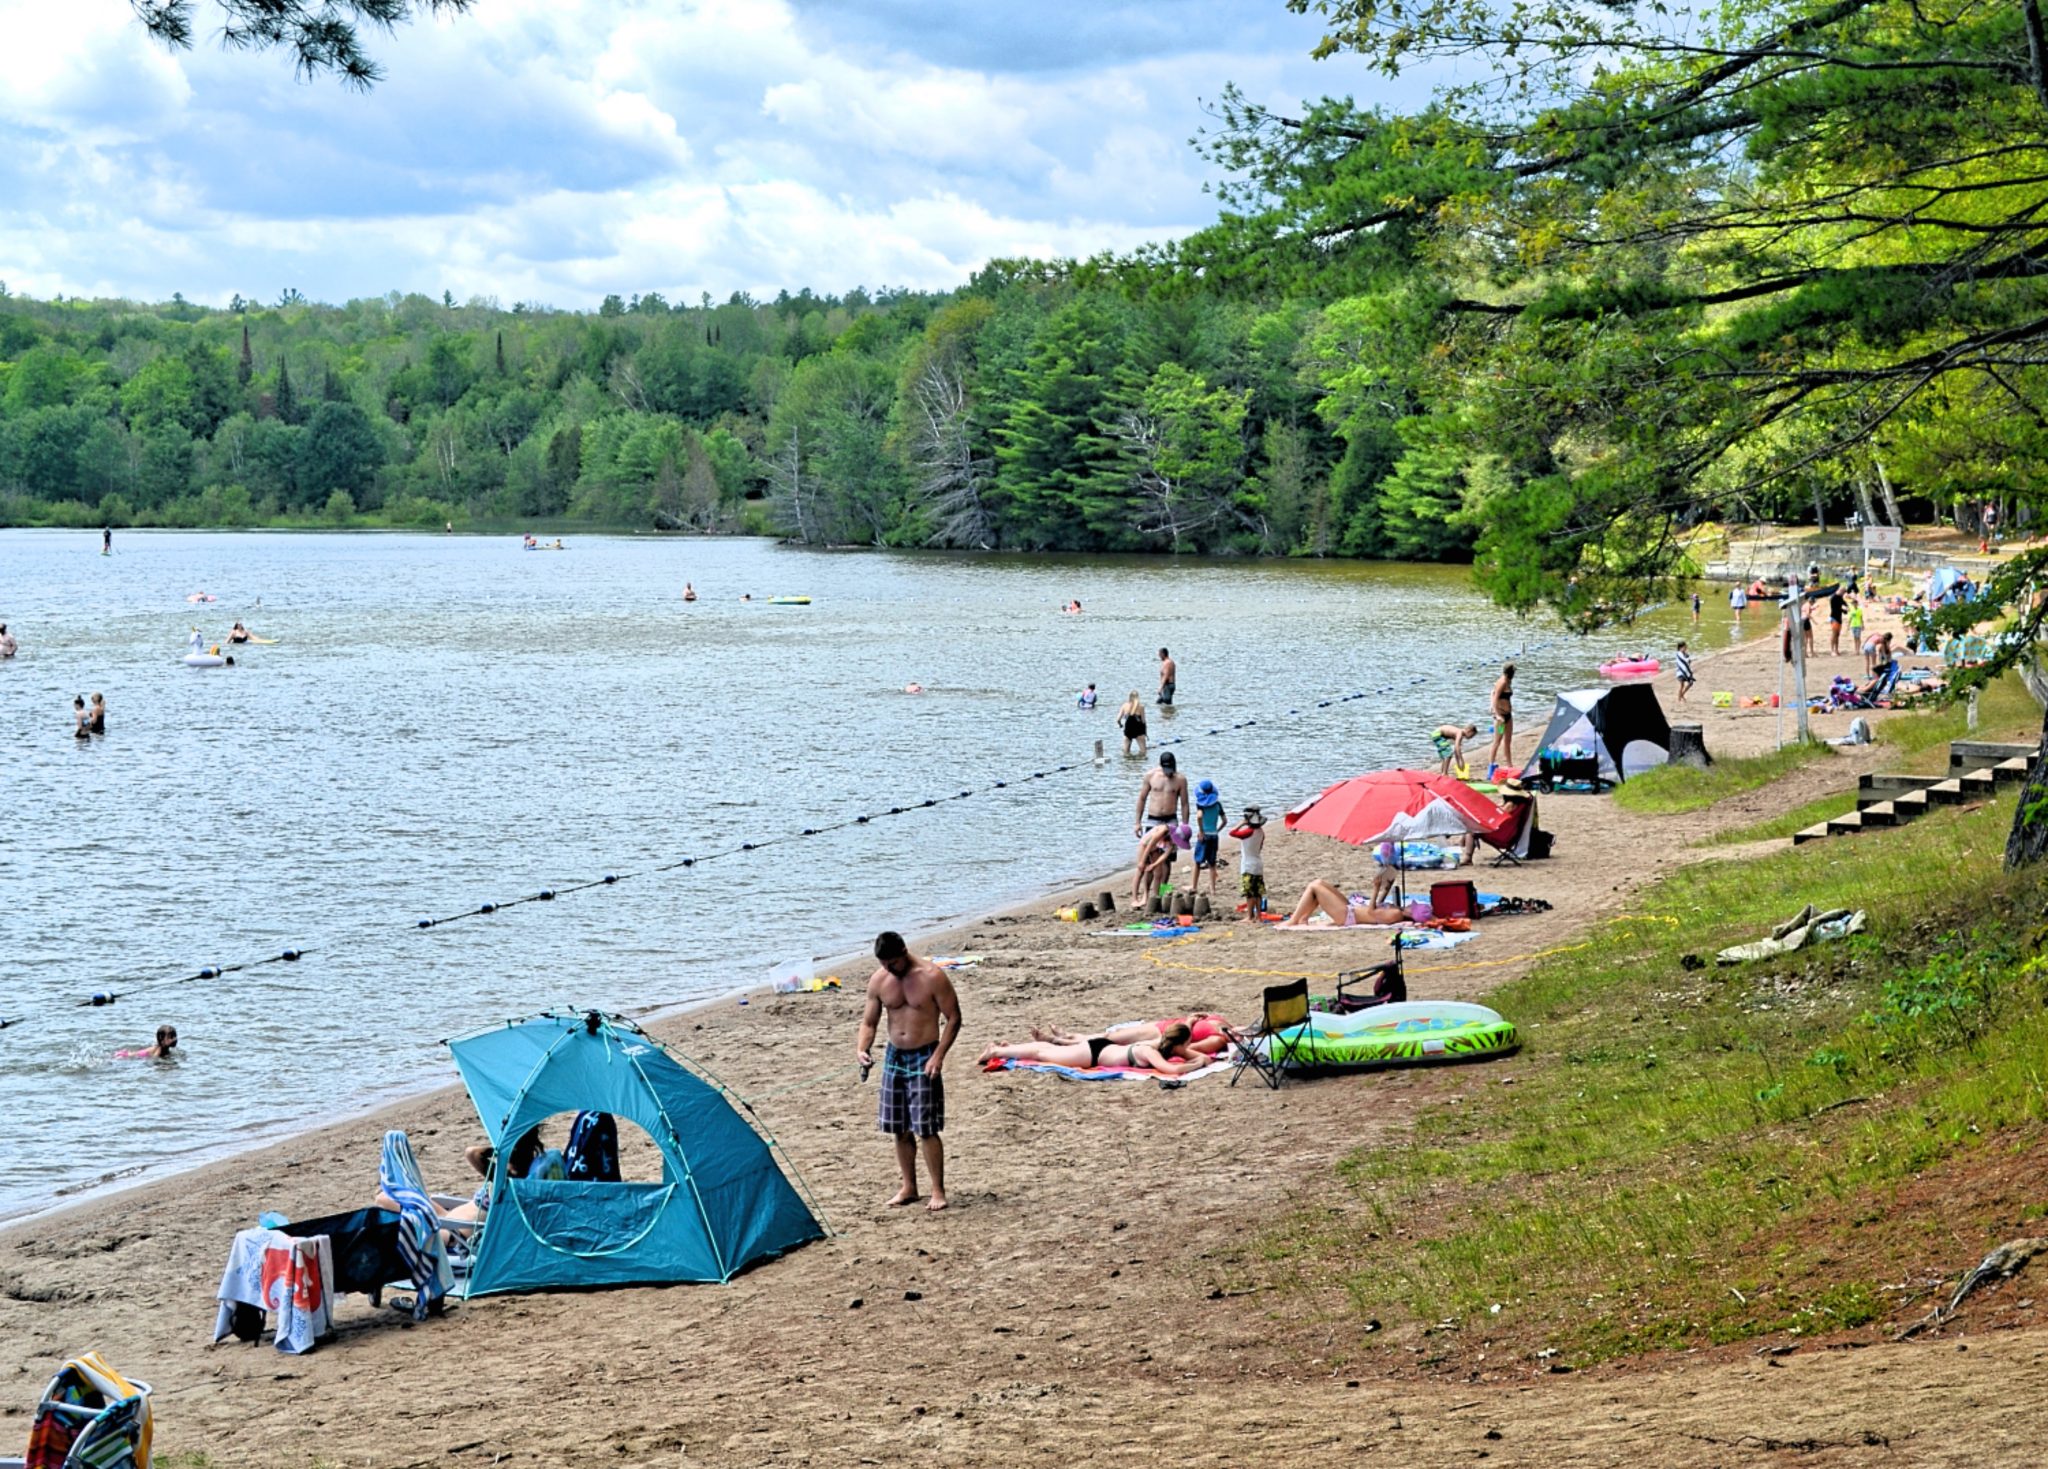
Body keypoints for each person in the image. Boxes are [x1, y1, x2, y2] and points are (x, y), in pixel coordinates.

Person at [856, 931, 961, 1212]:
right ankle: (909, 1187)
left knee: (925, 1127)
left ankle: (937, 1190)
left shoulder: (932, 976)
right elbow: (869, 1022)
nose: (888, 969)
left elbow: (953, 1018)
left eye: (892, 963)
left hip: (924, 1053)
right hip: (894, 1056)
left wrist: (938, 1056)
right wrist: (862, 1049)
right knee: (899, 1127)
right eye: (883, 964)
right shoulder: (879, 980)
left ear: (904, 951)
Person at [979, 1022, 1214, 1077]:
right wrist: (1197, 1063)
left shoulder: (1166, 1047)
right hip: (1094, 1054)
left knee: (1046, 1051)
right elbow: (1172, 1071)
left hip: (1102, 1050)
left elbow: (1200, 1056)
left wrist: (1199, 1059)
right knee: (1042, 1054)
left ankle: (1011, 1049)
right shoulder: (1151, 1051)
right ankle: (996, 1052)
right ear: (1179, 1044)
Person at [1028, 1014, 1231, 1058]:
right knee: (1111, 1035)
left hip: (1160, 1034)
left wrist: (1187, 1025)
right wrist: (1192, 1020)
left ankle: (1059, 1041)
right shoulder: (1222, 1023)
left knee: (1111, 1039)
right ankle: (1071, 1036)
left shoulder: (1218, 1039)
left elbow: (1186, 1048)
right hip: (1163, 1025)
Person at [1280, 880, 1406, 928]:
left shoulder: (1396, 914)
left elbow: (1371, 912)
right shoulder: (1398, 910)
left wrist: (1376, 888)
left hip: (1347, 916)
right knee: (1319, 883)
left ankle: (1294, 920)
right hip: (1351, 908)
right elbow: (1378, 908)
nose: (1411, 905)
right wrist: (1386, 887)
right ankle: (1303, 918)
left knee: (1314, 887)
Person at [1134, 750, 1190, 838]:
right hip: (1153, 819)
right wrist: (1137, 823)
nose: (1168, 772)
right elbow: (1142, 799)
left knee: (1171, 850)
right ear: (1160, 764)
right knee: (1151, 850)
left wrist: (1185, 826)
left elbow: (1185, 804)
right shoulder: (1150, 776)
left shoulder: (1180, 780)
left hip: (1171, 819)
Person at [1130, 821, 1186, 904]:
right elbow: (1149, 844)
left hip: (1155, 848)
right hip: (1145, 845)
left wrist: (1154, 865)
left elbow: (1165, 855)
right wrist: (1142, 861)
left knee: (1159, 872)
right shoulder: (1163, 829)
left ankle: (1157, 896)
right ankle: (1135, 899)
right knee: (1140, 871)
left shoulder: (1173, 843)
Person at [1191, 779, 1227, 899]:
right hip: (1214, 835)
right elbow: (1225, 821)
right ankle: (1212, 889)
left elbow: (1199, 816)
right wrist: (1217, 830)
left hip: (1204, 835)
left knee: (1197, 862)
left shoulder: (1200, 805)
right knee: (1212, 863)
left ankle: (1194, 887)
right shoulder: (1218, 804)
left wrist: (1201, 831)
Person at [1232, 805, 1267, 919]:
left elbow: (1232, 832)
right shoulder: (1261, 832)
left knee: (1249, 893)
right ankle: (1258, 916)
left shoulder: (1247, 832)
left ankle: (1250, 916)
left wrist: (1242, 823)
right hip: (1258, 863)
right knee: (1258, 892)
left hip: (1248, 865)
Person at [1486, 663, 1516, 774]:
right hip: (1501, 718)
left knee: (1508, 741)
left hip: (1508, 716)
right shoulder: (1502, 682)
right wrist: (1497, 714)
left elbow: (1492, 692)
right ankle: (1491, 765)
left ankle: (1509, 764)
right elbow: (1495, 697)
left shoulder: (1508, 681)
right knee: (1497, 741)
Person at [1116, 692, 1148, 757]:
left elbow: (1118, 719)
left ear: (1129, 697)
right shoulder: (1141, 706)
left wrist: (1120, 725)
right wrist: (1145, 732)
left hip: (1128, 729)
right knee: (1143, 752)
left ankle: (1128, 764)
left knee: (1126, 752)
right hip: (1139, 730)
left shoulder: (1124, 705)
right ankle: (1140, 763)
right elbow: (1143, 721)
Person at [1828, 587, 1846, 656]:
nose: (1843, 595)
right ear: (1841, 591)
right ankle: (1832, 650)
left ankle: (1836, 649)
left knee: (1837, 635)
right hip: (1834, 617)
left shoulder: (1840, 597)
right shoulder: (1833, 598)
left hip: (1839, 618)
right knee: (1834, 634)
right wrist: (1843, 610)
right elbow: (1836, 608)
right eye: (1843, 593)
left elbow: (1843, 602)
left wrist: (1846, 606)